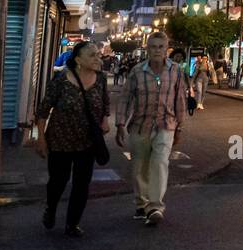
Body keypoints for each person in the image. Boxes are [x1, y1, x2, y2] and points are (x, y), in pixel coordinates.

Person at [35, 40, 110, 238]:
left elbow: (105, 104)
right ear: (77, 60)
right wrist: (40, 139)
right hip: (60, 140)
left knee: (82, 184)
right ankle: (51, 208)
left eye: (98, 54)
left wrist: (105, 121)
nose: (97, 58)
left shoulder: (101, 79)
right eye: (92, 55)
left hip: (87, 142)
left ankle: (72, 223)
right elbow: (43, 111)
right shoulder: (61, 81)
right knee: (58, 181)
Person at [117, 32, 186, 227]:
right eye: (153, 46)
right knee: (140, 166)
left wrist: (180, 126)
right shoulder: (137, 71)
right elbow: (125, 98)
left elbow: (179, 99)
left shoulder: (176, 71)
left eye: (160, 47)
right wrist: (120, 124)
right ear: (147, 48)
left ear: (167, 49)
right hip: (140, 125)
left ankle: (155, 206)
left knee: (160, 163)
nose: (157, 50)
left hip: (166, 125)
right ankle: (141, 203)